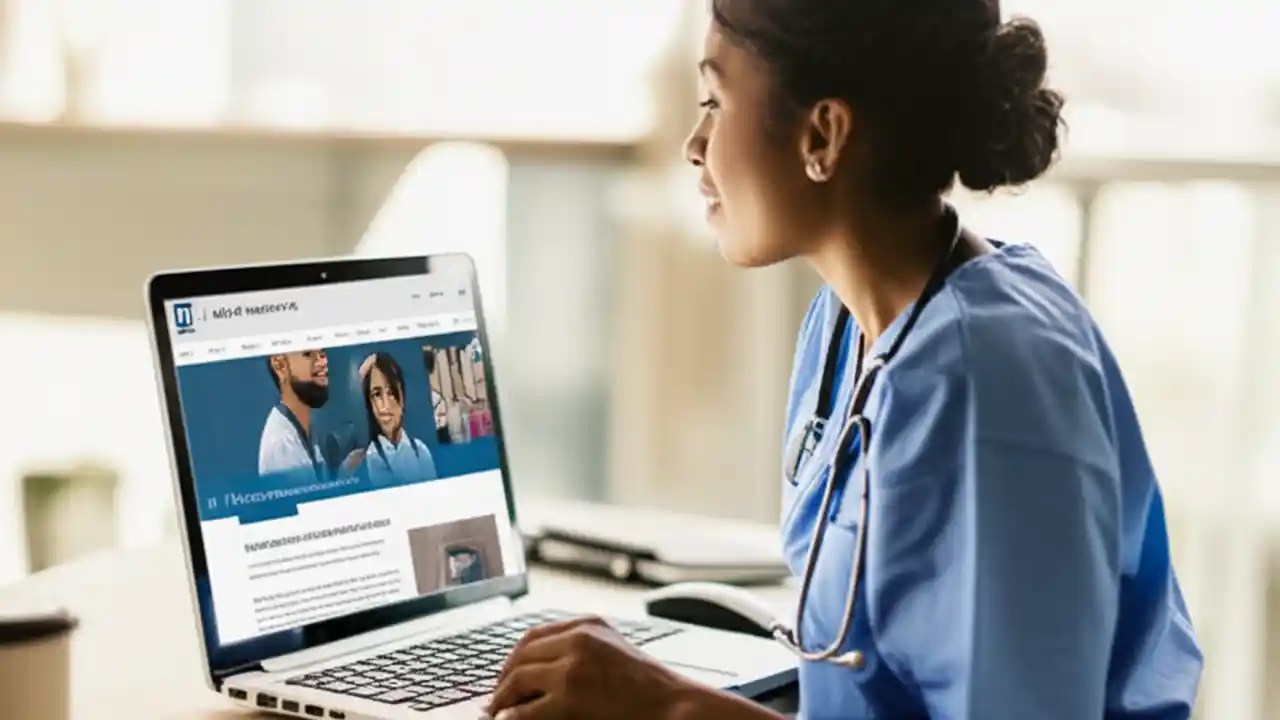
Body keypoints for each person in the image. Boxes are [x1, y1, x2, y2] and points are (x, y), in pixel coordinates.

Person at [488, 2, 1203, 719]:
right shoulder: (846, 325)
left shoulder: (991, 380)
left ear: (823, 133)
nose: (694, 144)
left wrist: (670, 707)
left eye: (715, 101)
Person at [360, 352, 438, 484]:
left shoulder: (420, 451)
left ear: (402, 398)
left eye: (391, 392)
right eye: (377, 394)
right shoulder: (367, 459)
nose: (385, 404)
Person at [259, 349, 331, 481]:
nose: (323, 362)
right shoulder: (282, 446)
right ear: (280, 366)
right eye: (308, 354)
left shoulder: (306, 429)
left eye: (322, 355)